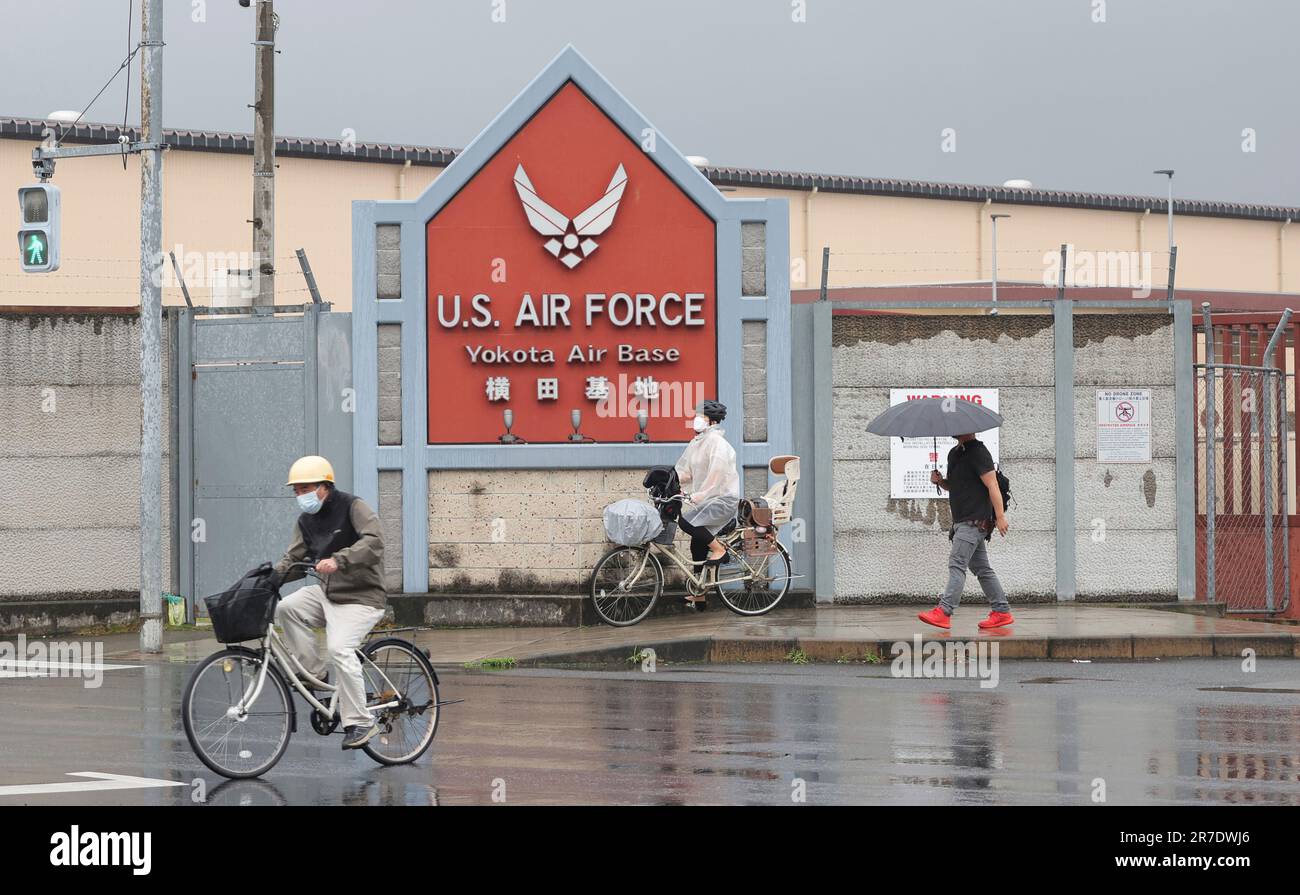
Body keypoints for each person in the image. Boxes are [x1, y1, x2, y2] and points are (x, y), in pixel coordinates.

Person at [271, 455, 388, 750]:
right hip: (328, 593)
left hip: (361, 597)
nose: (301, 496)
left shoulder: (353, 506)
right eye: (296, 491)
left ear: (325, 486)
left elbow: (374, 542)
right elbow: (294, 557)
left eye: (305, 488)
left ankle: (361, 722)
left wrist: (339, 560)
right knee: (287, 608)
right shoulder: (306, 520)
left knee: (339, 648)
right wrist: (268, 581)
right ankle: (314, 672)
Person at [917, 433, 1013, 630]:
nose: (953, 430)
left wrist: (1000, 516)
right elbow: (957, 487)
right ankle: (1001, 611)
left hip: (975, 521)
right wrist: (940, 481)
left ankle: (944, 611)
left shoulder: (979, 452)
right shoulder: (954, 454)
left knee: (957, 563)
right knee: (982, 569)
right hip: (962, 521)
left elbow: (992, 484)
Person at [674, 400, 740, 605]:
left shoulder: (718, 444)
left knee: (686, 522)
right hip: (710, 499)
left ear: (711, 421)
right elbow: (687, 472)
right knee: (697, 544)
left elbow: (717, 475)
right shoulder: (698, 442)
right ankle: (700, 593)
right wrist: (670, 480)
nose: (696, 420)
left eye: (701, 417)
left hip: (723, 499)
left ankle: (720, 550)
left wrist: (701, 494)